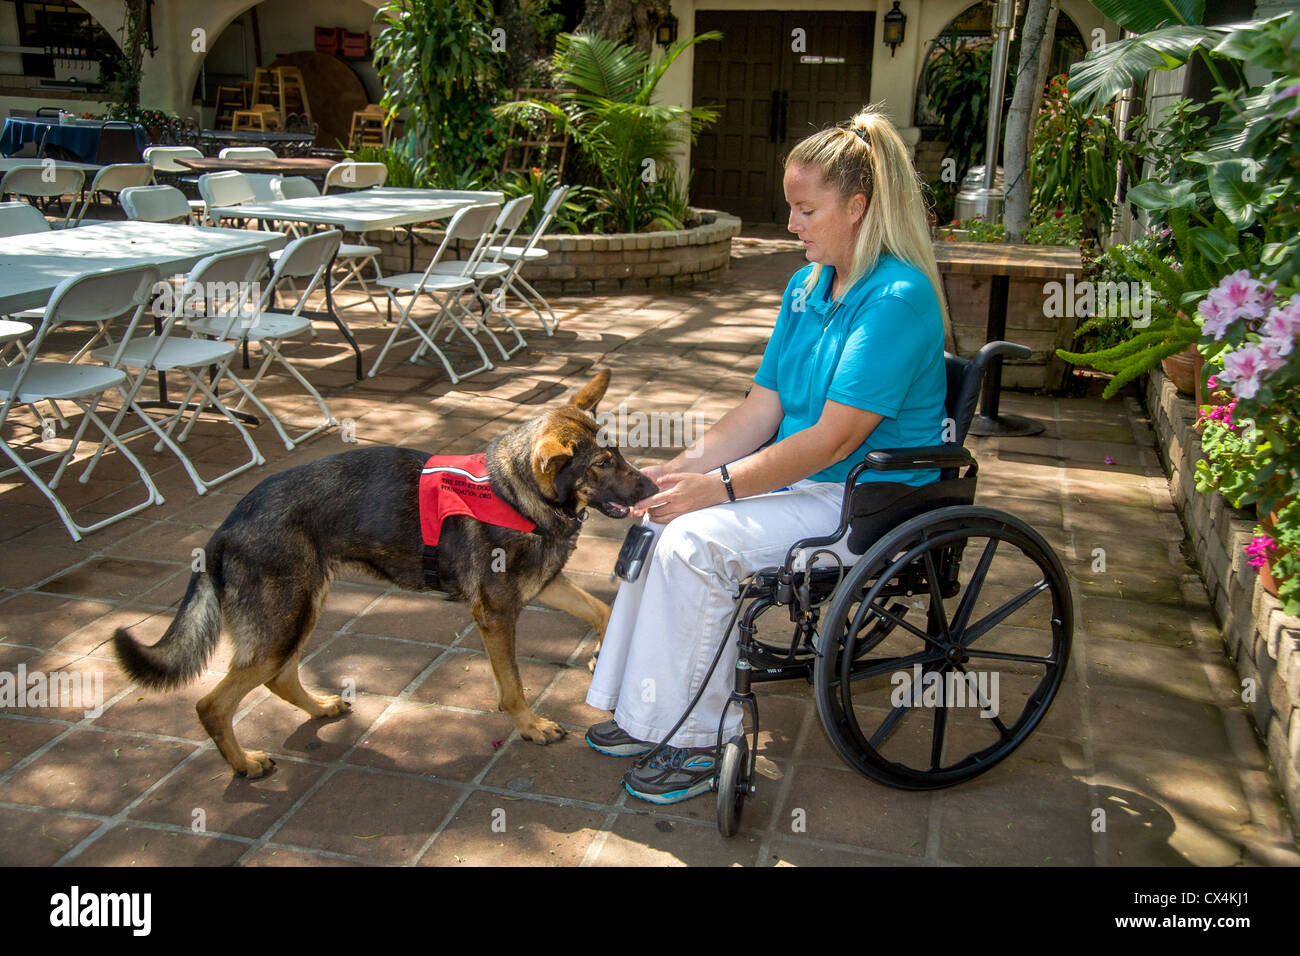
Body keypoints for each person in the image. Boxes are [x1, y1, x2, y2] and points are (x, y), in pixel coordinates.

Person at [584, 105, 952, 804]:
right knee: (661, 515)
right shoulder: (810, 286)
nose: (791, 225)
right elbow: (763, 409)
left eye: (804, 209)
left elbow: (835, 438)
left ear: (857, 206)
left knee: (696, 544)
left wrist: (717, 489)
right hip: (811, 481)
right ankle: (647, 709)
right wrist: (681, 470)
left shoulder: (897, 298)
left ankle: (693, 740)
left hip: (867, 498)